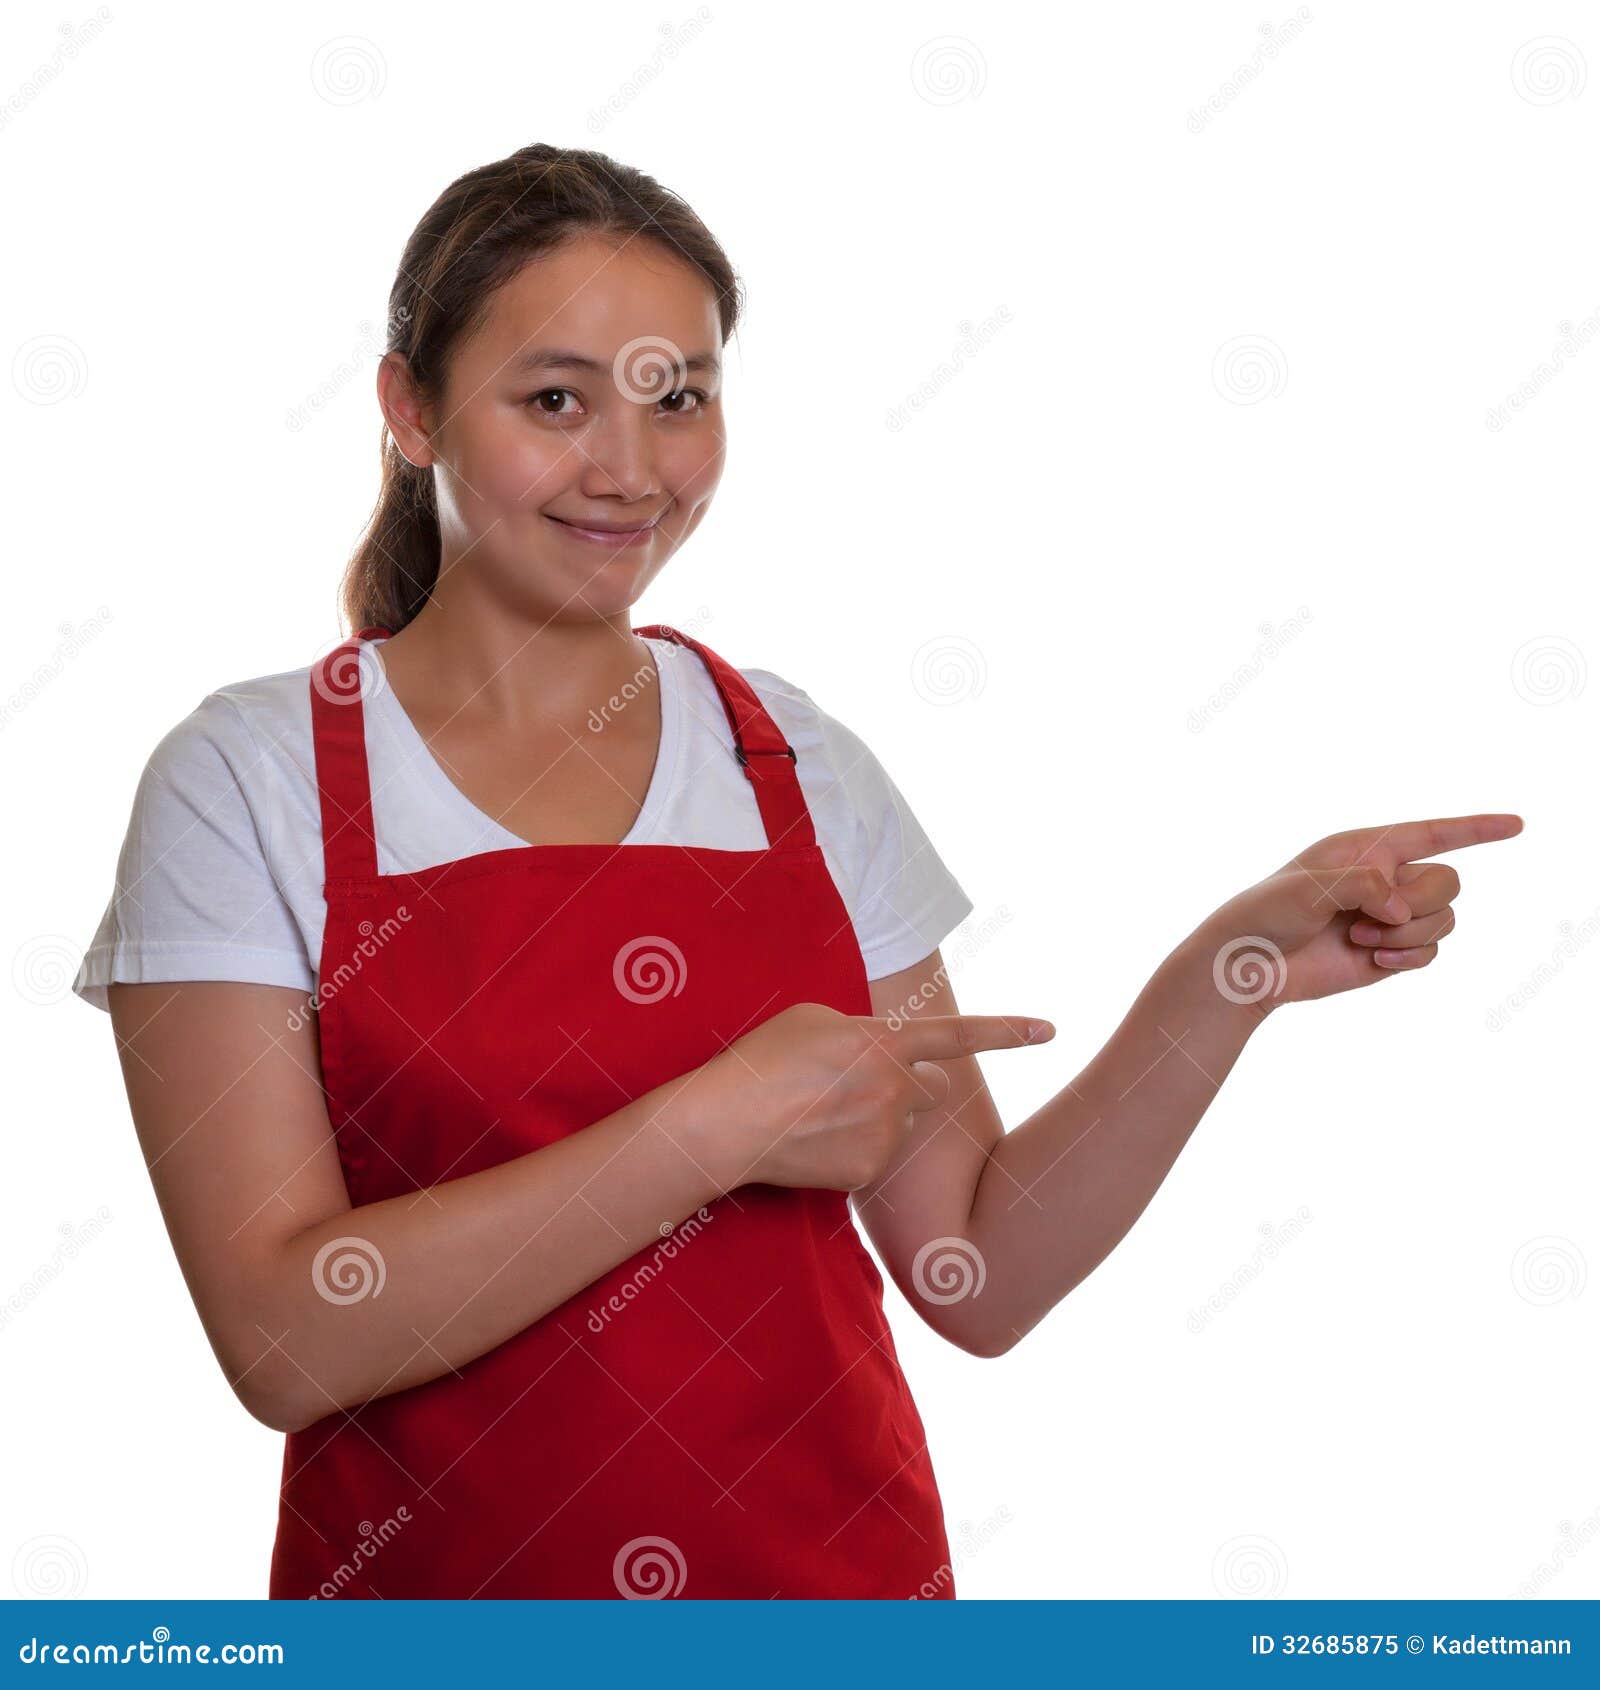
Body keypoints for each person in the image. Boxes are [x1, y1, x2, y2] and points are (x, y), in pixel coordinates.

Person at [72, 143, 1521, 1601]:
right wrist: (715, 1125)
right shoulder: (249, 777)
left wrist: (1230, 974)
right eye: (556, 399)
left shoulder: (796, 761)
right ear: (410, 410)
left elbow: (978, 1272)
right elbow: (283, 1335)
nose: (631, 469)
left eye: (679, 397)